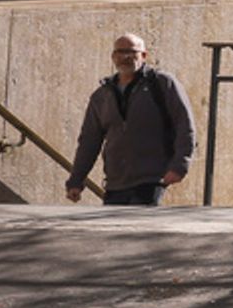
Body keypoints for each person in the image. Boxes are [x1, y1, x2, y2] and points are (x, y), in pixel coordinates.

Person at [65, 35, 196, 206]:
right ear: (113, 57)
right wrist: (76, 180)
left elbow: (185, 126)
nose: (125, 57)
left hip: (152, 178)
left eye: (132, 52)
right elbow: (89, 141)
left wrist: (180, 165)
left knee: (140, 229)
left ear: (144, 56)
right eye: (120, 52)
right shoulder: (102, 95)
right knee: (115, 230)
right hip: (115, 182)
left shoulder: (162, 84)